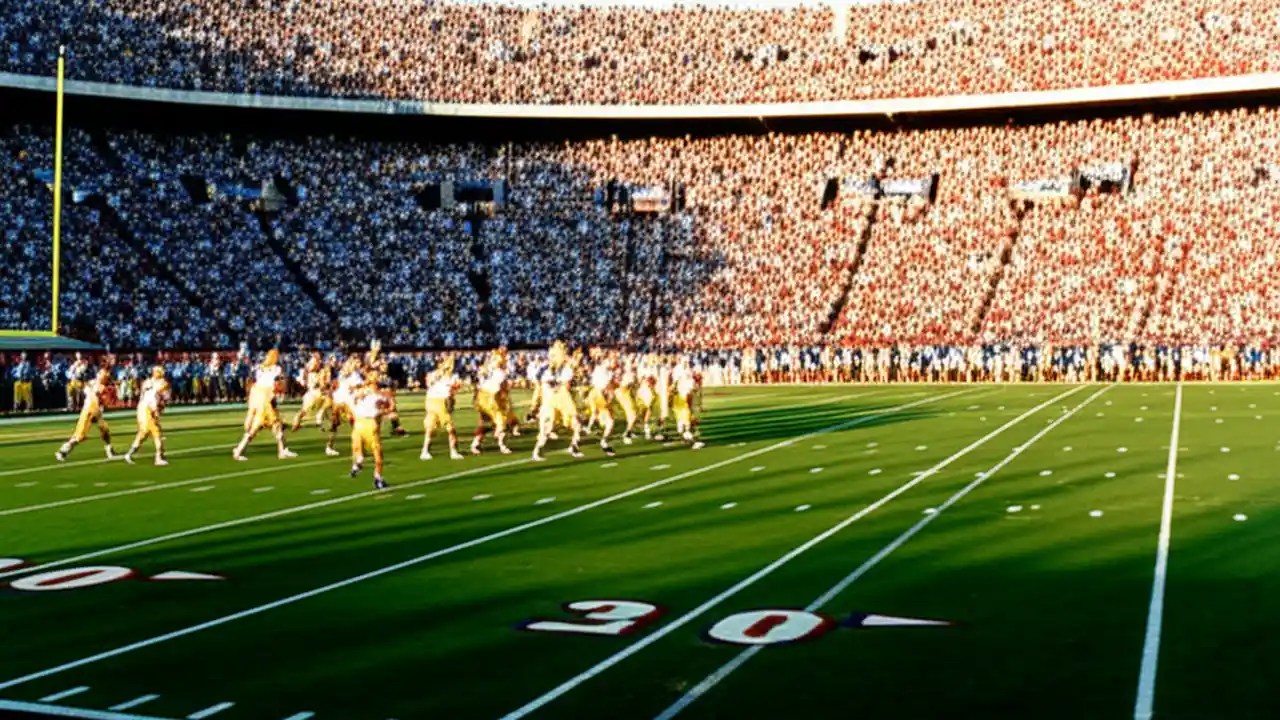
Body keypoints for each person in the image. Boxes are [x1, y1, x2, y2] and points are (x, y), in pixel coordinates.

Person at [232, 349, 297, 461]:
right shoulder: (277, 369)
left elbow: (253, 382)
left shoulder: (260, 367)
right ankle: (239, 451)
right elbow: (277, 385)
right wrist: (278, 397)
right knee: (272, 424)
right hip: (266, 398)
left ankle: (283, 450)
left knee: (265, 425)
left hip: (257, 396)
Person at [532, 341, 584, 462]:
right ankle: (537, 449)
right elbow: (542, 380)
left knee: (577, 423)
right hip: (552, 398)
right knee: (547, 426)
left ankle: (574, 446)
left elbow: (573, 369)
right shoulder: (547, 368)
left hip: (563, 396)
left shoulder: (566, 366)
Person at [56, 368, 115, 461]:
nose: (104, 376)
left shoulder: (100, 386)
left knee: (105, 430)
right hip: (88, 410)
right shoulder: (94, 384)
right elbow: (87, 391)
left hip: (96, 411)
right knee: (80, 436)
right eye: (103, 374)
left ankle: (109, 449)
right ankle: (62, 451)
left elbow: (102, 398)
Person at [350, 371, 389, 489]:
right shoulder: (370, 393)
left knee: (372, 453)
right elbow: (356, 397)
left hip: (365, 423)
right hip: (366, 423)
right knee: (373, 453)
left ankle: (365, 467)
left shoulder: (375, 393)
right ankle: (374, 476)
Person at [421, 354, 464, 460]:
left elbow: (456, 388)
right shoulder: (434, 374)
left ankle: (427, 451)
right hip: (435, 402)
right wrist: (441, 373)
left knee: (442, 428)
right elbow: (429, 382)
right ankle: (428, 450)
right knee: (438, 428)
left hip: (438, 402)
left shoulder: (453, 377)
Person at [124, 366, 169, 466]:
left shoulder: (147, 382)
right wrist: (156, 409)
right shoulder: (161, 383)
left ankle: (129, 454)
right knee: (156, 432)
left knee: (143, 433)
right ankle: (158, 457)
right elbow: (158, 398)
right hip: (147, 408)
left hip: (142, 408)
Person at [471, 348, 513, 455]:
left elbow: (477, 383)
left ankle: (475, 444)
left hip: (481, 397)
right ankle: (501, 444)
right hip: (492, 398)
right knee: (501, 422)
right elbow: (503, 389)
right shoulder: (500, 372)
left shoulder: (485, 368)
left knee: (484, 423)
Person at [291, 351, 332, 433]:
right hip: (314, 393)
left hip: (313, 393)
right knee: (328, 401)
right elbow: (323, 383)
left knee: (329, 402)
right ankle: (319, 416)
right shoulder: (318, 369)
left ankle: (319, 417)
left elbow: (308, 377)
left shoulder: (313, 368)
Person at [586, 353, 618, 456]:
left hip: (600, 395)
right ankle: (591, 429)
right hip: (597, 394)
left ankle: (592, 429)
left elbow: (609, 387)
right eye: (614, 361)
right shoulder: (602, 368)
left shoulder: (608, 372)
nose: (615, 363)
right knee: (606, 420)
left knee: (608, 421)